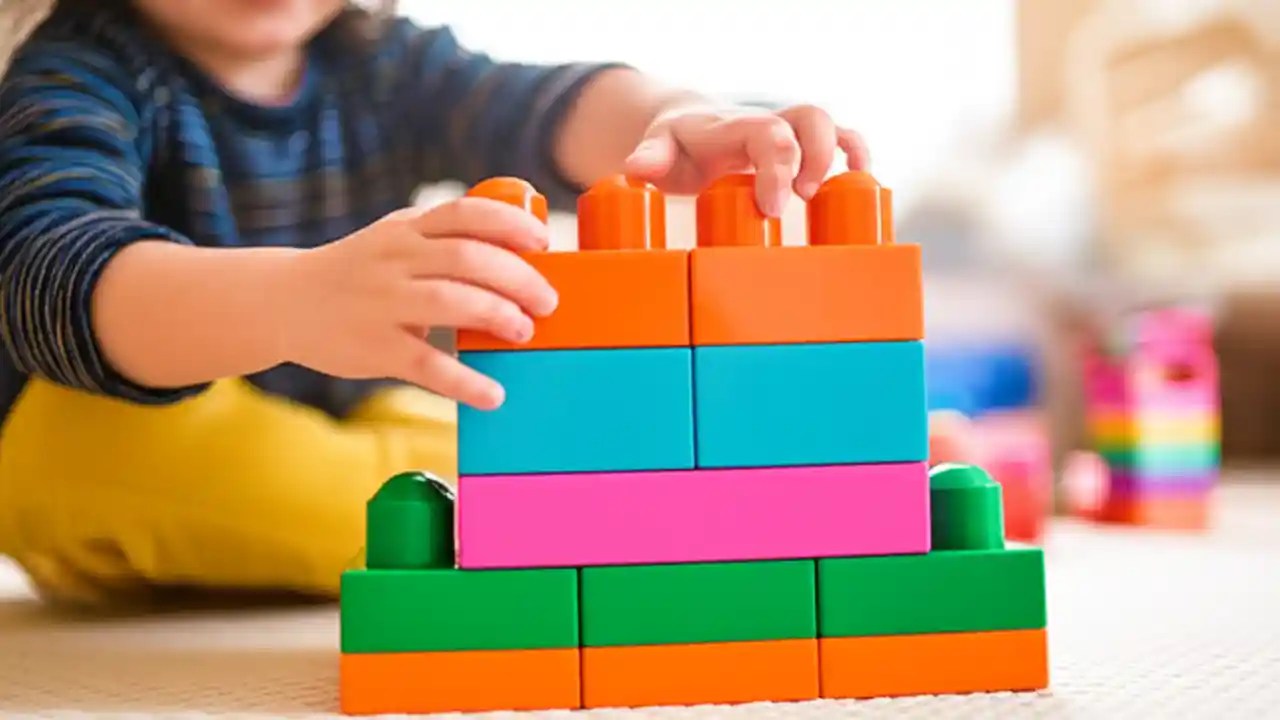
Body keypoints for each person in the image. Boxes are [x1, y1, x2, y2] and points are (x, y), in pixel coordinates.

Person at [0, 0, 876, 606]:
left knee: (535, 443)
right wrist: (297, 298)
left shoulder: (376, 60)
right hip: (86, 427)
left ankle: (804, 474)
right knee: (429, 503)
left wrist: (678, 118)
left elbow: (542, 105)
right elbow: (43, 269)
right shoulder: (81, 66)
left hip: (329, 415)